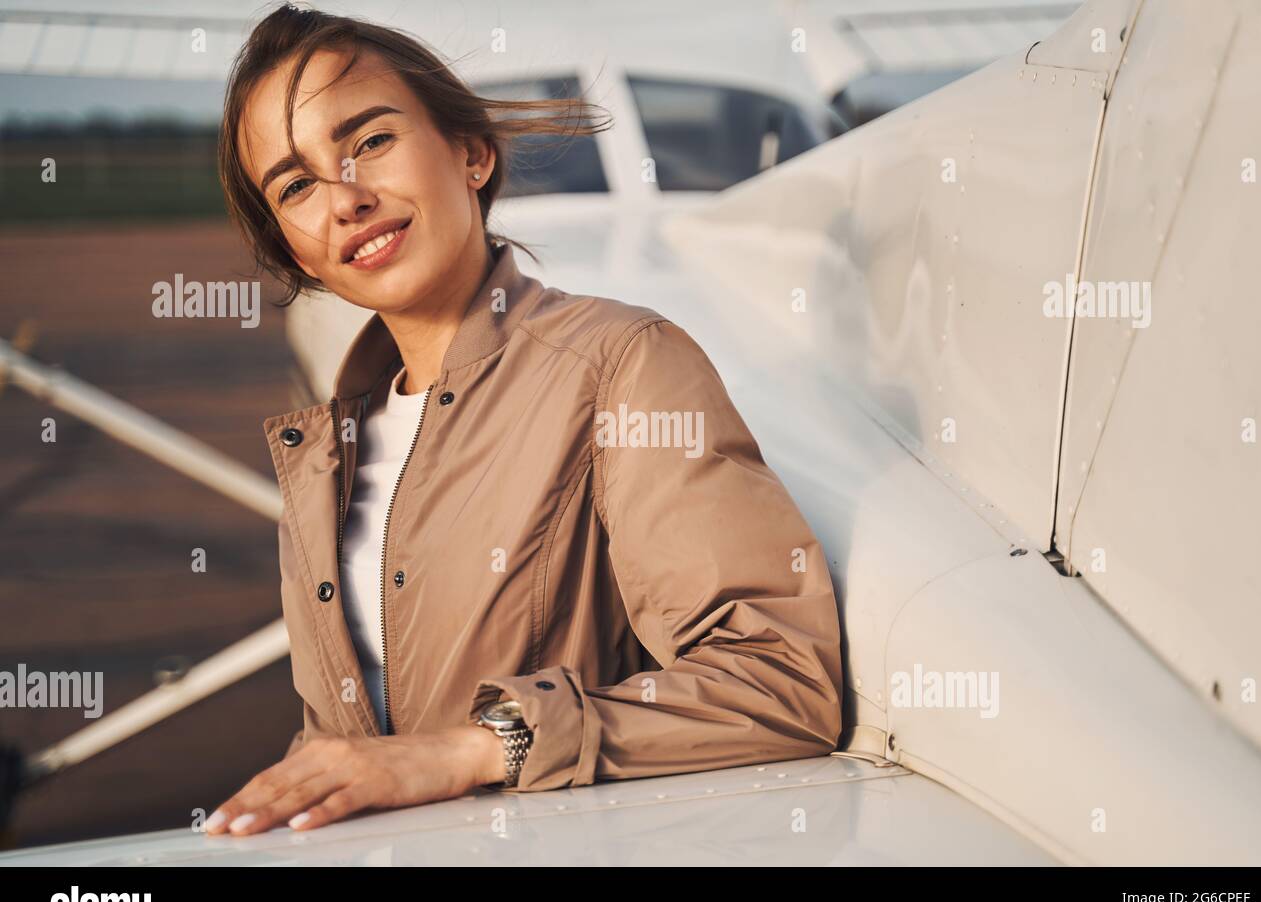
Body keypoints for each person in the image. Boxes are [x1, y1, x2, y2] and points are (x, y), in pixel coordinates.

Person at [203, 3, 842, 837]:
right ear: (292, 247)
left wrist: (470, 751)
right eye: (296, 185)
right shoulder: (326, 448)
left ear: (471, 154)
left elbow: (783, 680)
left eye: (371, 140)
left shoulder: (622, 361)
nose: (346, 198)